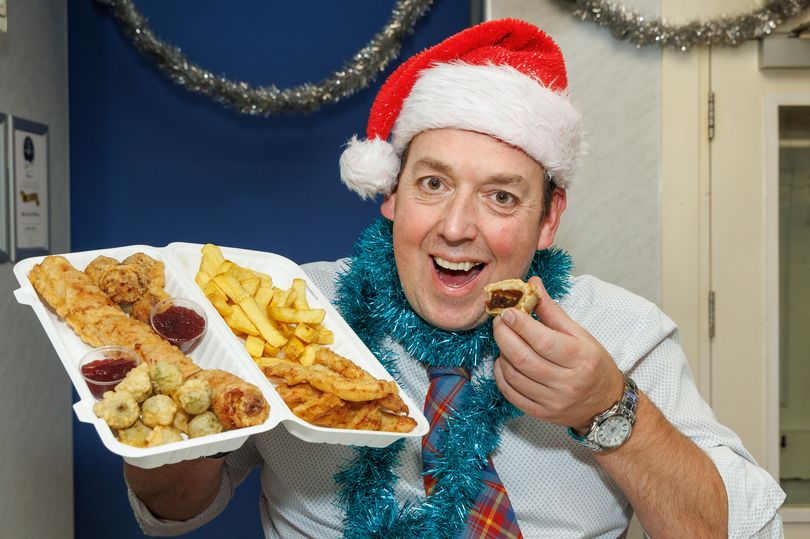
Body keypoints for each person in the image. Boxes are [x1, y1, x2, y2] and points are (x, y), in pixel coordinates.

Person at [125, 19, 785, 538]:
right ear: (391, 193)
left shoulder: (624, 335)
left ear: (548, 218)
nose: (456, 227)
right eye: (433, 183)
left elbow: (744, 533)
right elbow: (175, 509)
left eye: (501, 196)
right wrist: (188, 397)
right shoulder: (288, 310)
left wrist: (609, 411)